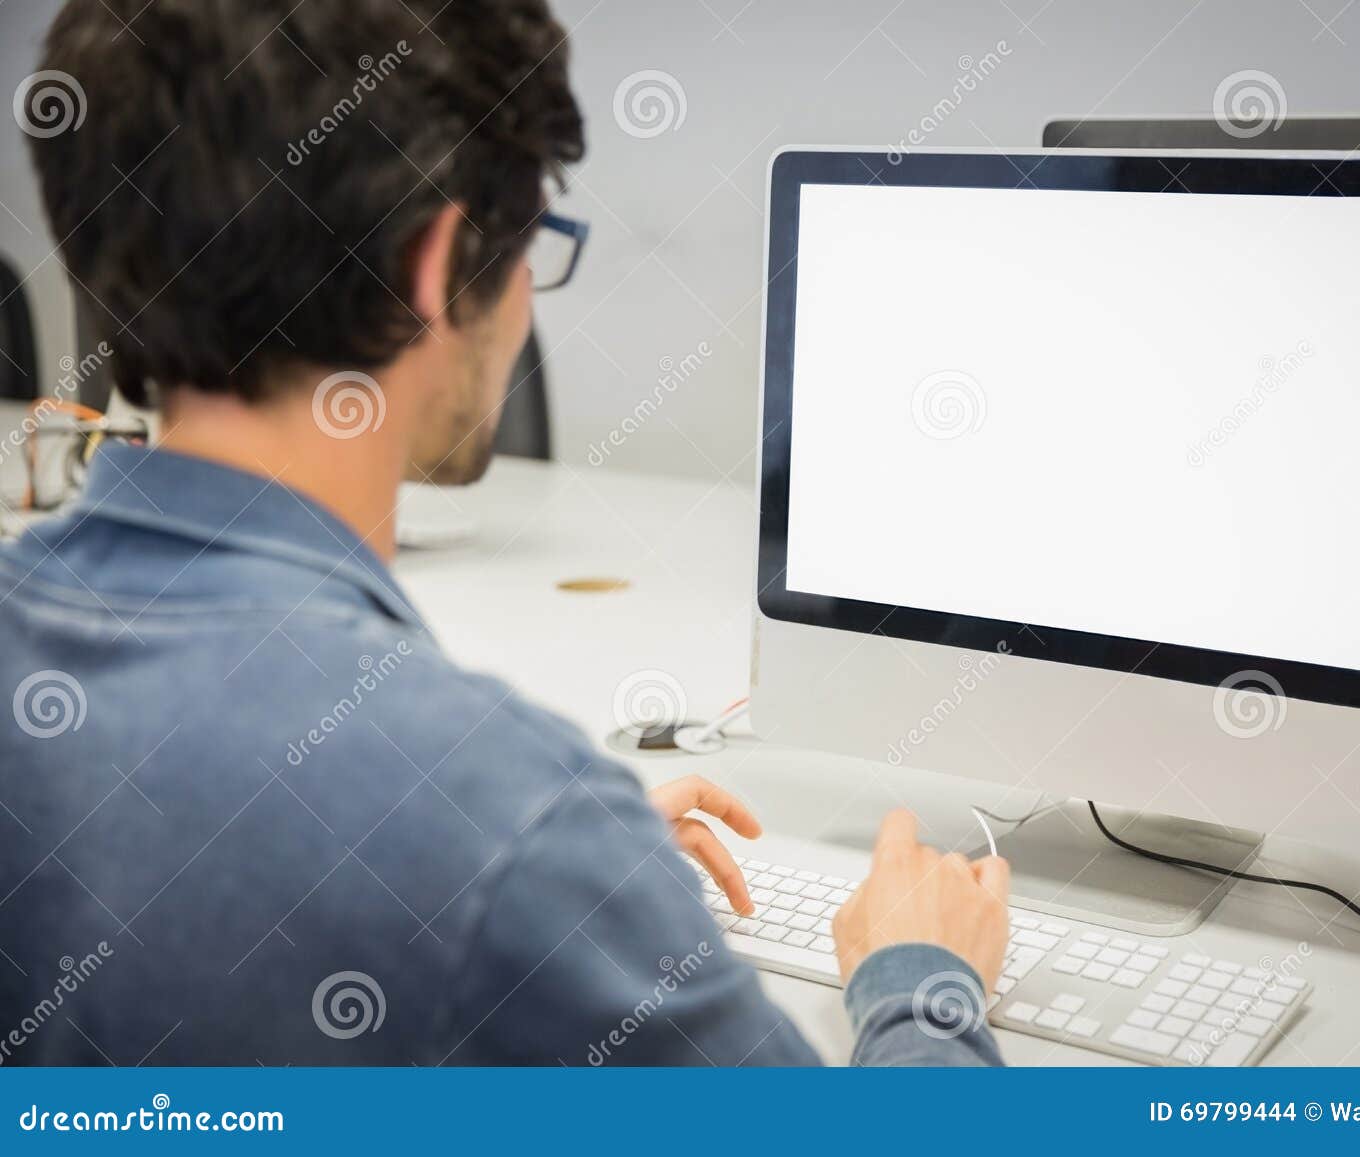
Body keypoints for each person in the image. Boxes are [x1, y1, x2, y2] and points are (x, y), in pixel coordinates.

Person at [0, 0, 1011, 1065]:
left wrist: (551, 876)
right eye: (535, 247)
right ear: (437, 261)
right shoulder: (498, 821)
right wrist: (918, 979)